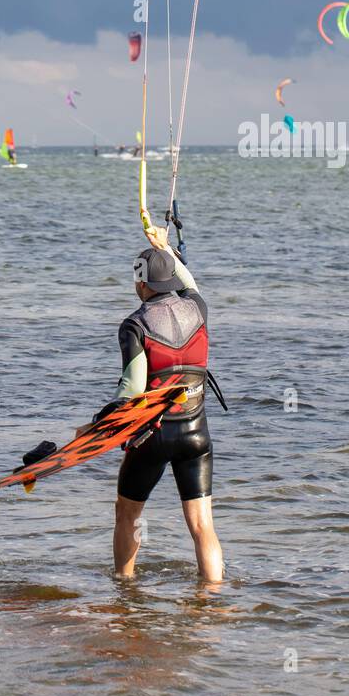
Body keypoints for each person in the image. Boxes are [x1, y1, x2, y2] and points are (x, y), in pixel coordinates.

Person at [93, 227, 223, 583]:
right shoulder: (199, 309)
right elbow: (190, 282)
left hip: (153, 436)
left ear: (140, 283)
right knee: (201, 524)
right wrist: (165, 248)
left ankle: (125, 587)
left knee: (128, 514)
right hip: (197, 435)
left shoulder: (134, 325)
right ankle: (213, 598)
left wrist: (101, 422)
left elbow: (132, 388)